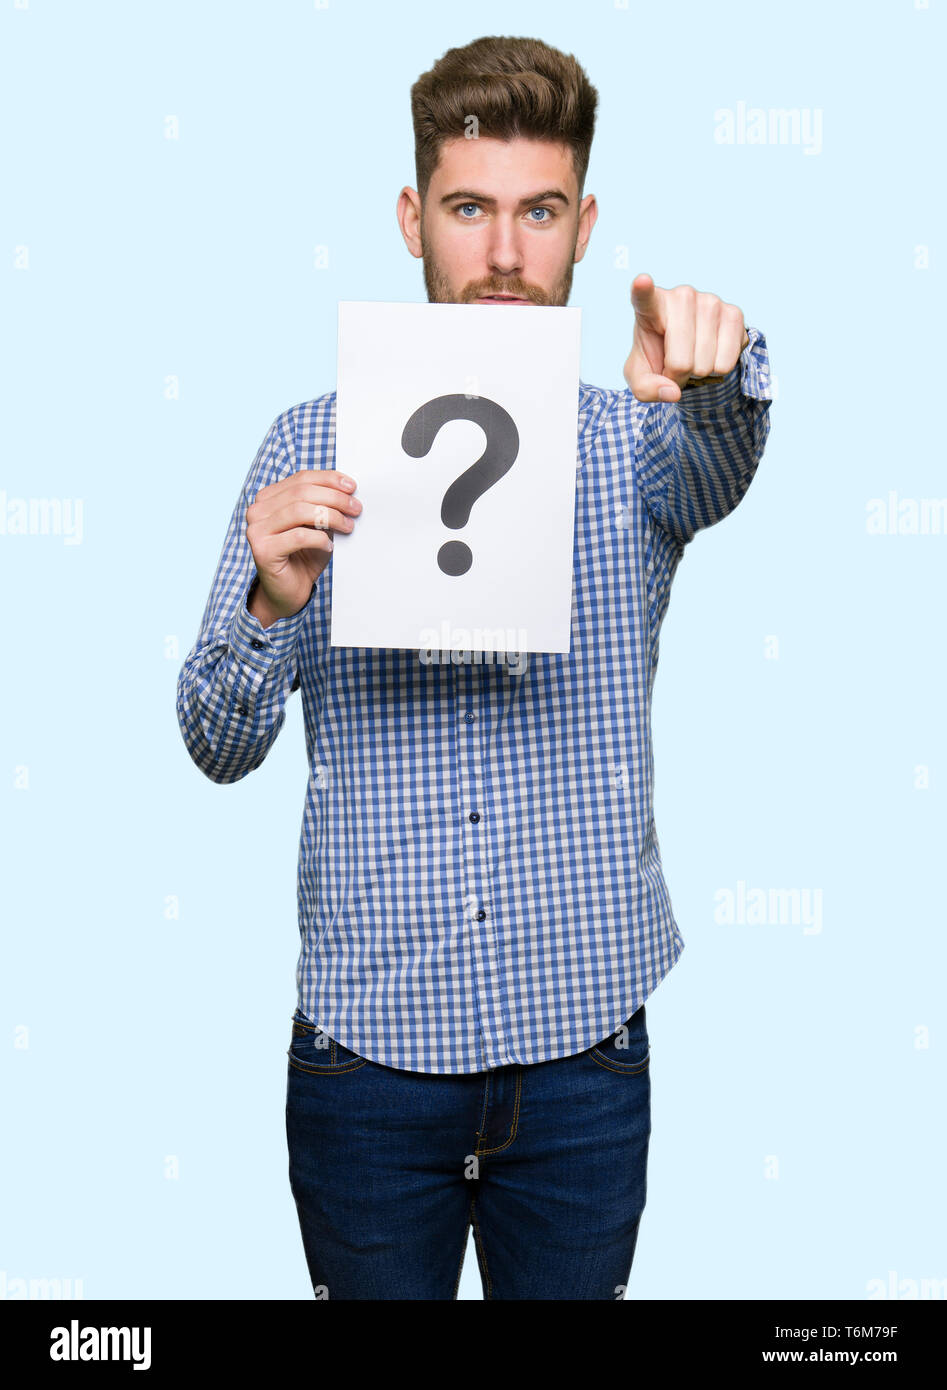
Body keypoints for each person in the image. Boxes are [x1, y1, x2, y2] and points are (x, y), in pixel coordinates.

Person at [176, 34, 773, 1301]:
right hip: (366, 1061)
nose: (504, 253)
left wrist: (719, 368)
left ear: (582, 224)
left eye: (538, 212)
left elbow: (718, 464)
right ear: (412, 219)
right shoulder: (308, 442)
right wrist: (271, 598)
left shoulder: (637, 440)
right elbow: (215, 740)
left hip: (580, 1056)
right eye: (469, 209)